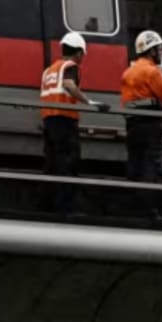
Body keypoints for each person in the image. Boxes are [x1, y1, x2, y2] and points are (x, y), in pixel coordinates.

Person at [40, 32, 106, 216]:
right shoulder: (70, 66)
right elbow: (69, 85)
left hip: (49, 120)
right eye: (83, 54)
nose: (83, 58)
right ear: (78, 53)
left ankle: (48, 206)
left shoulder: (49, 70)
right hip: (65, 121)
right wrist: (89, 102)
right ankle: (66, 208)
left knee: (51, 164)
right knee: (68, 164)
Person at [121, 30, 162, 219]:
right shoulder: (152, 72)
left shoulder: (128, 72)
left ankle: (132, 210)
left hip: (132, 125)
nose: (161, 52)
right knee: (151, 167)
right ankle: (148, 212)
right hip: (151, 125)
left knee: (134, 166)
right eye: (158, 49)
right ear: (151, 51)